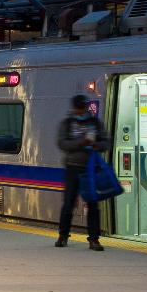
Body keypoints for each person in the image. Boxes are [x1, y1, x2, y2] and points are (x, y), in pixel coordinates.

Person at [56, 93, 106, 251]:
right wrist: (81, 143)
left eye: (82, 107)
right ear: (74, 108)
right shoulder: (68, 123)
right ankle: (62, 236)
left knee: (93, 204)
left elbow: (106, 141)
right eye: (78, 108)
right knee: (69, 204)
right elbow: (62, 143)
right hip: (72, 167)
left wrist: (98, 145)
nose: (80, 111)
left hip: (90, 168)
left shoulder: (95, 123)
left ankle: (94, 239)